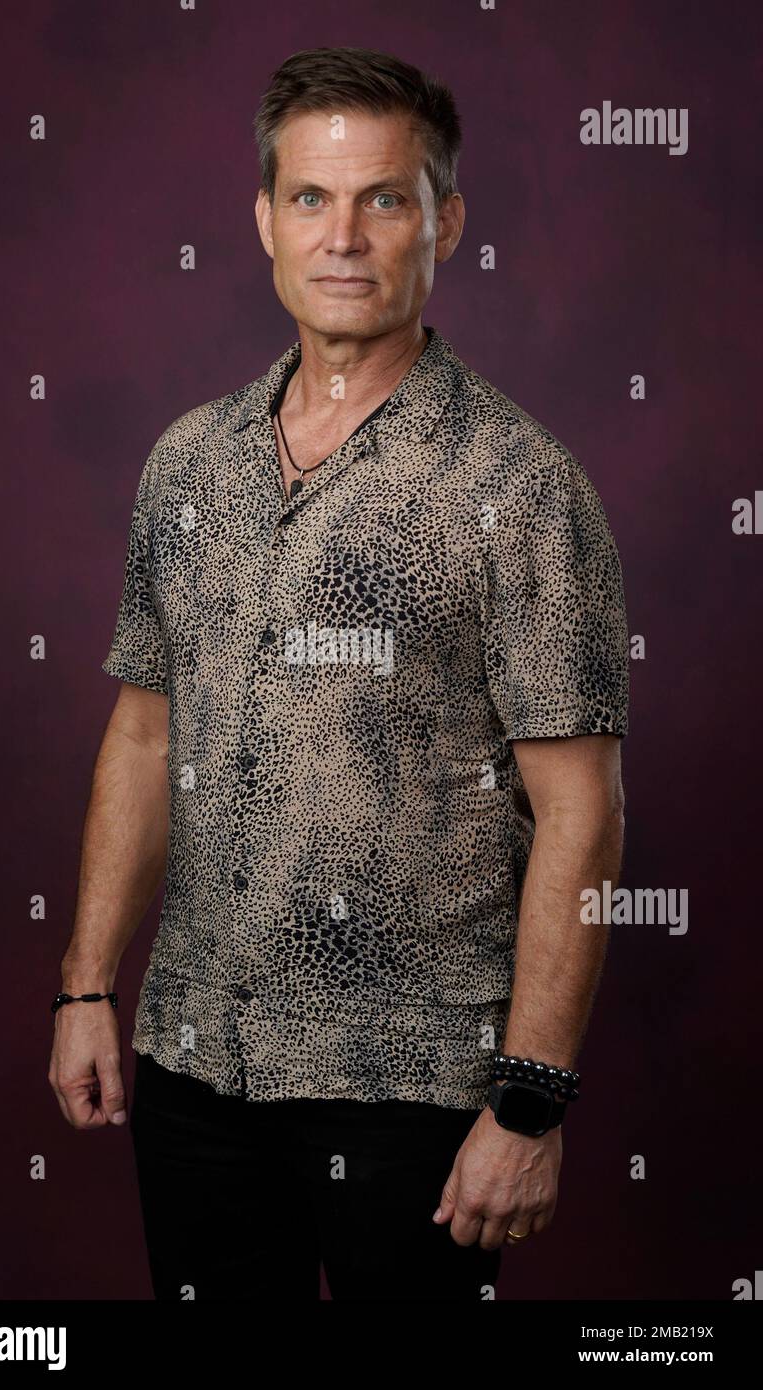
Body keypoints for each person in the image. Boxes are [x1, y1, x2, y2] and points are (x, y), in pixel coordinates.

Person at [49, 46, 629, 1301]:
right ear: (262, 217)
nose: (345, 236)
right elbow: (144, 739)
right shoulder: (187, 465)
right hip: (197, 1069)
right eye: (311, 197)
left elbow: (579, 815)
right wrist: (87, 982)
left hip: (414, 1093)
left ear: (444, 220)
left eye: (384, 198)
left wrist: (529, 1104)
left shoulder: (520, 488)